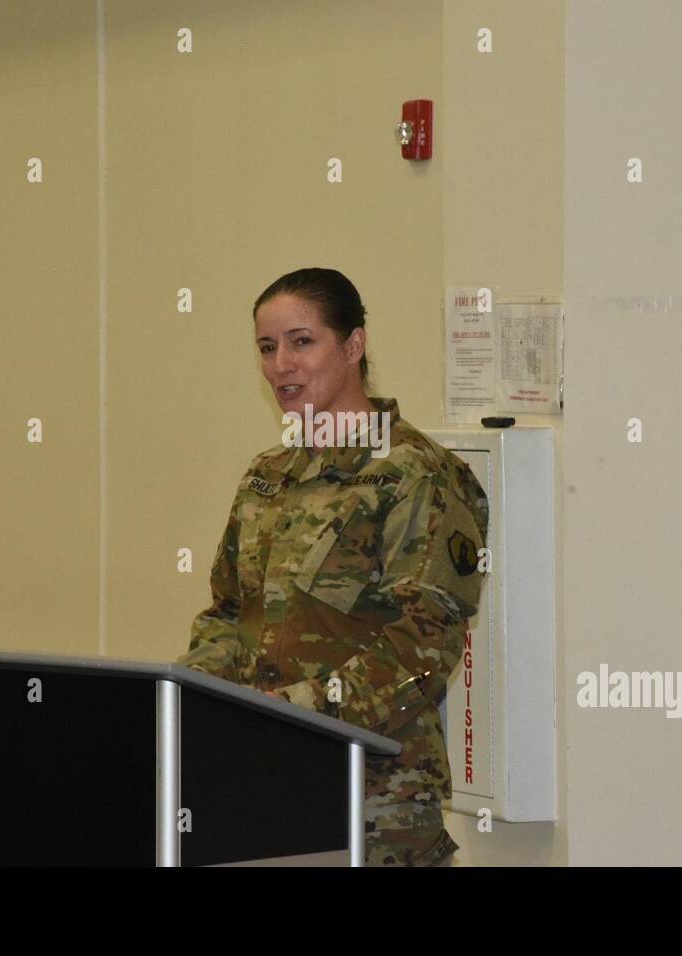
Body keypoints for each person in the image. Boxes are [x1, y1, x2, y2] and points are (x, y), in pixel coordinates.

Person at [175, 267, 488, 866]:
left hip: (374, 805)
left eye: (301, 341)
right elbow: (228, 614)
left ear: (353, 346)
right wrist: (194, 691)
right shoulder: (268, 475)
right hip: (261, 787)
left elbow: (425, 642)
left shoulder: (415, 474)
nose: (280, 365)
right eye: (267, 348)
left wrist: (298, 713)